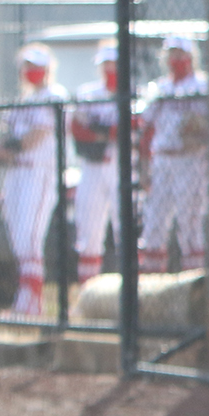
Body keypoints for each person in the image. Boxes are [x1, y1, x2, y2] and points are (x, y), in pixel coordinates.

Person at [0, 43, 67, 316]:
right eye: (27, 67)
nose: (31, 72)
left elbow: (33, 138)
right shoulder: (22, 100)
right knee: (18, 238)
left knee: (30, 235)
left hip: (39, 171)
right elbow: (5, 137)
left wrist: (3, 148)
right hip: (16, 172)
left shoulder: (54, 94)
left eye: (36, 67)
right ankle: (25, 299)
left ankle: (33, 302)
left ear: (47, 69)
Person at [138, 36, 208, 274]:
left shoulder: (202, 85)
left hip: (190, 159)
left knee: (190, 221)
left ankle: (193, 281)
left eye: (180, 54)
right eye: (172, 54)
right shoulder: (159, 87)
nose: (175, 59)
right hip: (162, 159)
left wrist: (198, 133)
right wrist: (143, 167)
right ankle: (152, 283)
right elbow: (144, 129)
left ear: (191, 57)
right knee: (154, 221)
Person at [71, 40, 120, 284]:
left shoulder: (135, 92)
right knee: (88, 230)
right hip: (92, 166)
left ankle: (132, 296)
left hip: (122, 166)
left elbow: (129, 130)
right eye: (105, 64)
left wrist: (99, 130)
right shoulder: (89, 93)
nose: (109, 69)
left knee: (126, 231)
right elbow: (77, 129)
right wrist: (105, 133)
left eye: (114, 64)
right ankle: (88, 291)